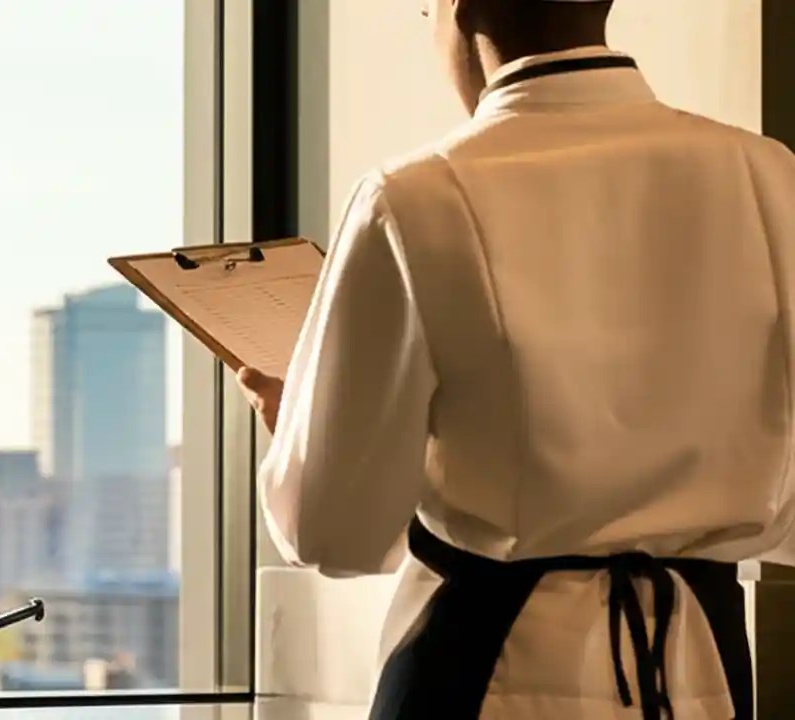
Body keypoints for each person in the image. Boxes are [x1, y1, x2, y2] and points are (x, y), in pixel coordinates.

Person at [236, 1, 795, 718]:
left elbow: (334, 532)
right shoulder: (770, 176)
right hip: (701, 672)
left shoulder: (412, 196)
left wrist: (299, 430)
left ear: (458, 9)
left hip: (481, 667)